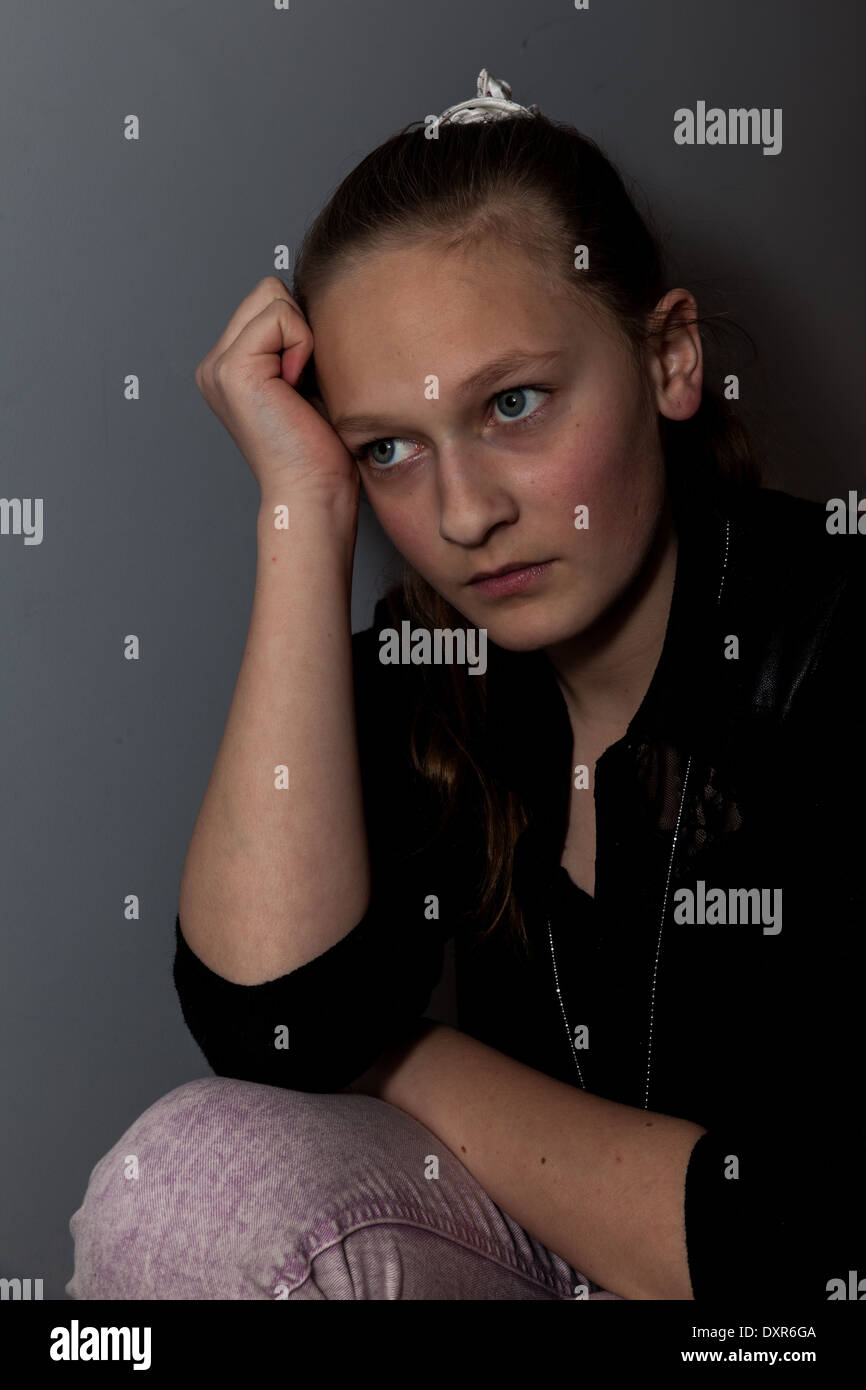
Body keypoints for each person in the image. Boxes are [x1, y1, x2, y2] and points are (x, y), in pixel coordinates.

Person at [67, 69, 864, 1302]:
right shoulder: (434, 667)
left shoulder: (825, 635)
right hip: (573, 1261)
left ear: (666, 356)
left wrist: (400, 1057)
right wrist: (302, 513)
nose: (462, 514)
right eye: (387, 446)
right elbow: (273, 1027)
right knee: (189, 1181)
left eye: (512, 404)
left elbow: (803, 1249)